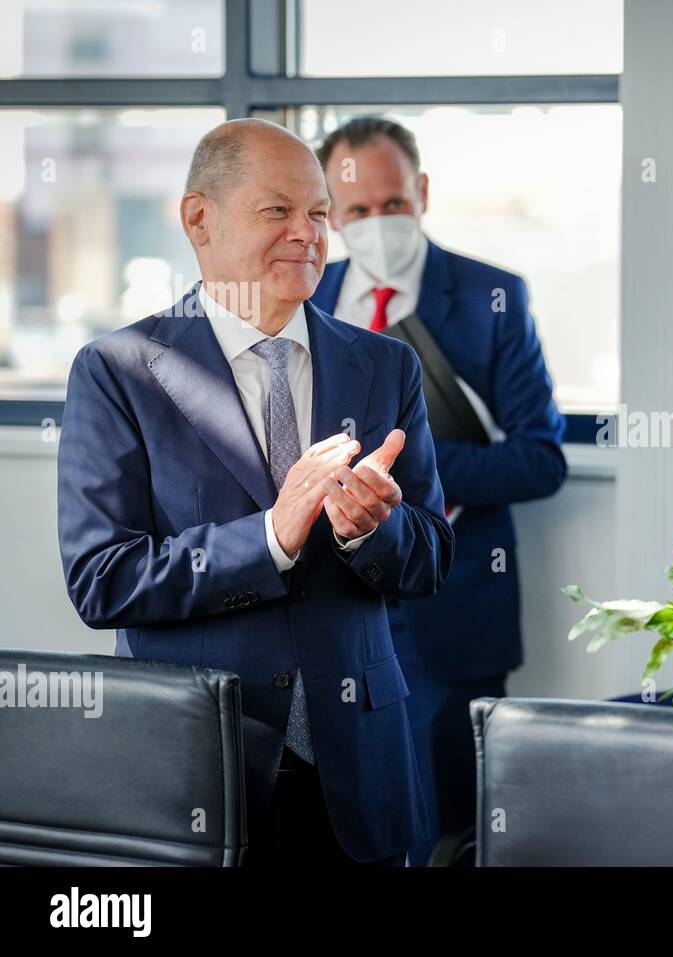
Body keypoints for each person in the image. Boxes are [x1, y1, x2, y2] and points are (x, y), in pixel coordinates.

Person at [57, 118, 455, 866]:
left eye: (318, 213)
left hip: (360, 774)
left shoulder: (384, 366)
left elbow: (430, 557)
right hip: (198, 770)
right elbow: (102, 580)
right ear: (198, 219)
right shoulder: (118, 371)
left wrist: (373, 530)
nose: (308, 233)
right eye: (278, 210)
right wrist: (271, 536)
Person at [311, 116, 566, 865]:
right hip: (329, 601)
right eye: (357, 210)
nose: (378, 222)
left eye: (392, 203)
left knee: (448, 826)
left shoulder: (493, 297)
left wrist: (408, 471)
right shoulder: (307, 295)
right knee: (344, 811)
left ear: (421, 191)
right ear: (330, 213)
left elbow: (540, 460)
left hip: (452, 603)